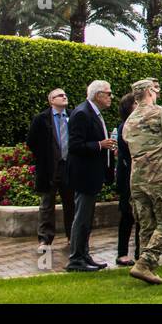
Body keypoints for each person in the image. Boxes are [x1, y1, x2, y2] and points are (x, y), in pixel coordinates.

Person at [124, 79, 162, 286]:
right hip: (159, 177)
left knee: (147, 225)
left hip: (137, 179)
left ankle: (147, 269)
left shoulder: (130, 120)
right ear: (150, 92)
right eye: (155, 90)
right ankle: (145, 263)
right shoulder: (161, 113)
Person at [65, 80, 115, 272]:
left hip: (92, 174)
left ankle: (84, 254)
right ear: (98, 95)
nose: (111, 97)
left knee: (87, 218)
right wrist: (99, 145)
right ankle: (76, 259)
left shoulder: (93, 113)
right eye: (108, 93)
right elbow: (74, 146)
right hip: (83, 174)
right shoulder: (82, 113)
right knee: (82, 218)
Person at [25, 87, 73, 250]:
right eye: (60, 95)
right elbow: (31, 141)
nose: (64, 97)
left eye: (65, 95)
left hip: (69, 167)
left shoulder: (73, 116)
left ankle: (72, 237)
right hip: (49, 168)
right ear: (52, 100)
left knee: (71, 203)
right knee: (47, 204)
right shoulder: (41, 119)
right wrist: (44, 157)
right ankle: (45, 239)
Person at [115, 92, 139, 267]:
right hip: (128, 178)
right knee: (127, 215)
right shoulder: (125, 127)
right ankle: (122, 253)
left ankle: (140, 252)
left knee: (142, 216)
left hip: (141, 177)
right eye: (136, 103)